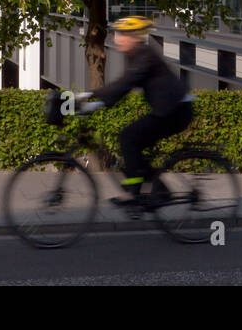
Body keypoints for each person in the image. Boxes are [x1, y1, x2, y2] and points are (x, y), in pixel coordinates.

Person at [79, 16, 192, 204]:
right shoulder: (137, 55)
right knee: (134, 145)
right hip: (167, 109)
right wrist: (95, 100)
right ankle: (155, 188)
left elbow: (125, 83)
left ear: (134, 37)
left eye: (122, 35)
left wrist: (91, 97)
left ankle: (136, 191)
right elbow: (124, 86)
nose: (117, 39)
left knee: (128, 137)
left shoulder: (144, 56)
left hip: (175, 111)